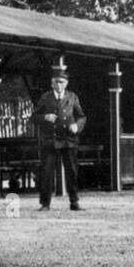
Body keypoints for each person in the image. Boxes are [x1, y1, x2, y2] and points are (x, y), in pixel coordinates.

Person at [31, 64, 87, 210]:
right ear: (52, 83)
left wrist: (76, 126)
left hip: (68, 141)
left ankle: (74, 202)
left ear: (66, 83)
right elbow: (34, 117)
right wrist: (45, 117)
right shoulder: (45, 98)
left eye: (62, 82)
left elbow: (81, 117)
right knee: (47, 173)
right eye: (56, 82)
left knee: (72, 172)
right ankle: (45, 204)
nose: (59, 85)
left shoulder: (72, 97)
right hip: (50, 141)